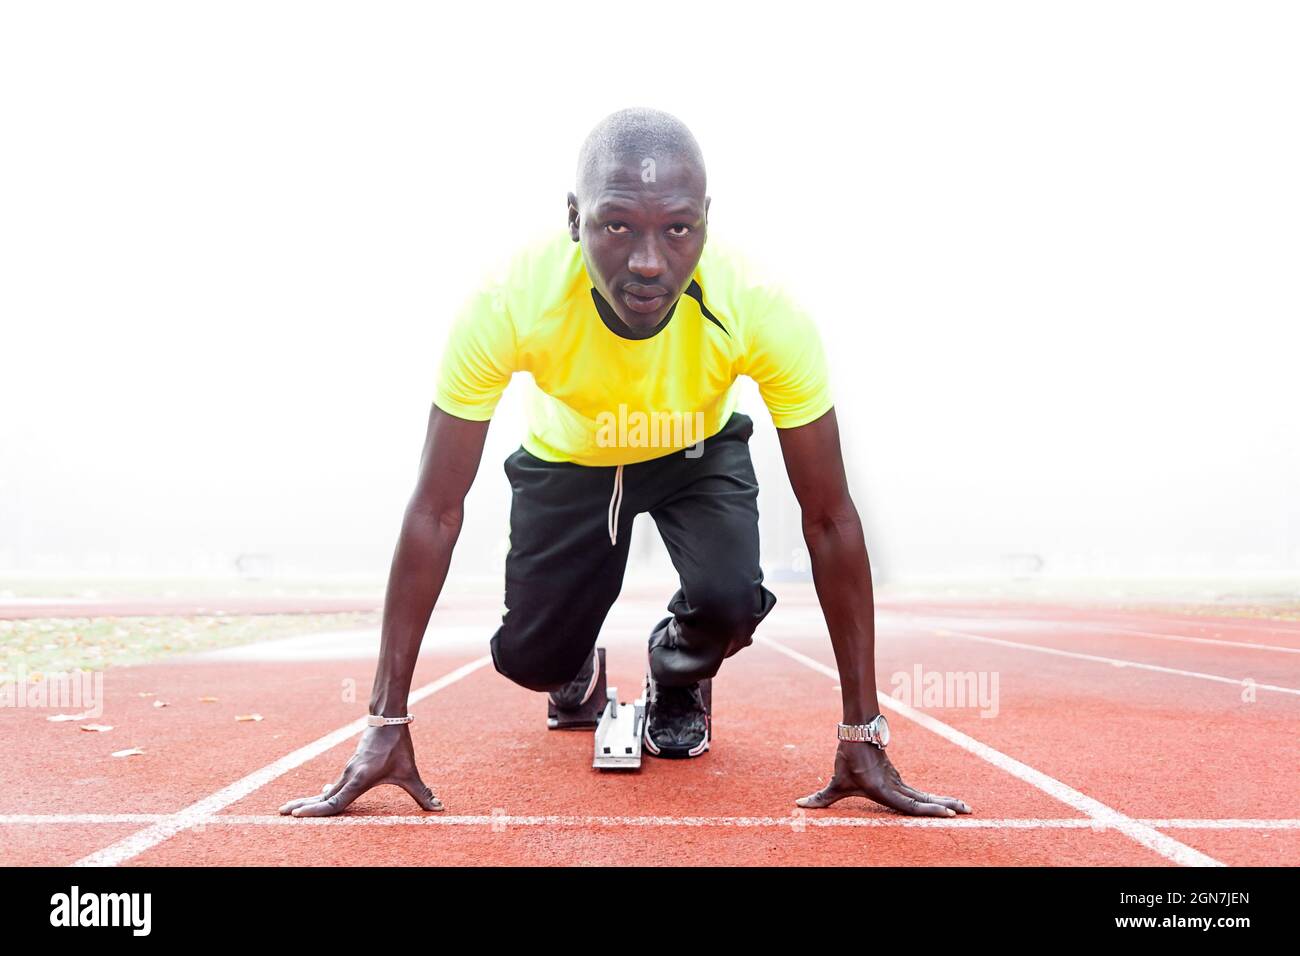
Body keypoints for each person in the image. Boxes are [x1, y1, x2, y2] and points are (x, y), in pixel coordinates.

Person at [279, 107, 971, 819]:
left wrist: (863, 734)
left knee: (731, 598)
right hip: (571, 461)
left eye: (678, 229)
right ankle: (573, 667)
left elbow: (829, 519)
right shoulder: (508, 303)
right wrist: (384, 721)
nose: (648, 262)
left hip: (694, 450)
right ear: (574, 219)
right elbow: (434, 509)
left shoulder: (760, 308)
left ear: (706, 220)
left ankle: (676, 673)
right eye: (618, 226)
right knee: (529, 661)